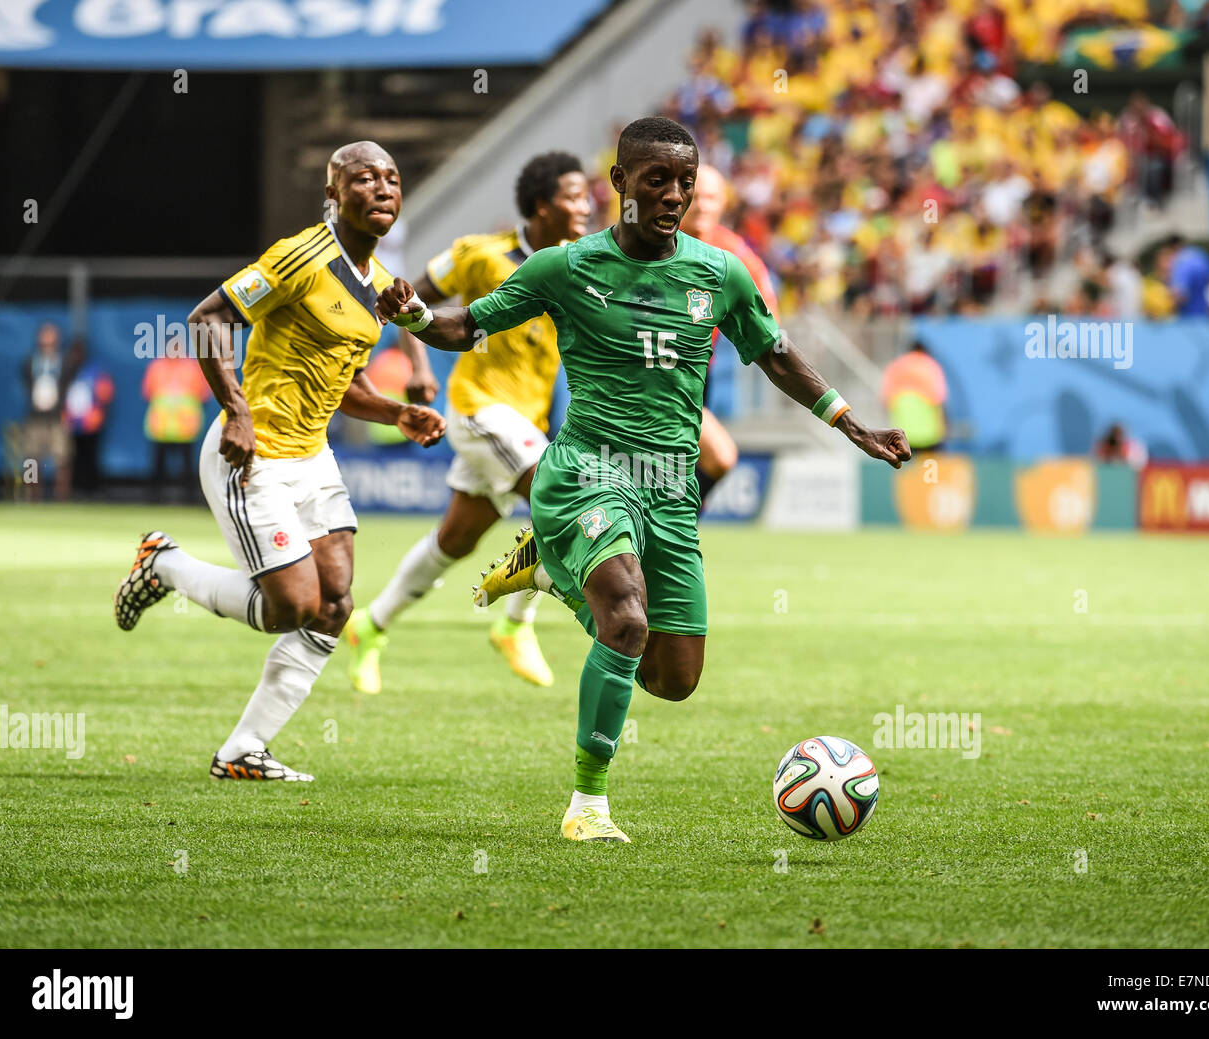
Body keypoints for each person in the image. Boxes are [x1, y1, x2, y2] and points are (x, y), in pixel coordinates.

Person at [380, 117, 910, 842]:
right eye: (656, 179)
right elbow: (464, 327)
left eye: (685, 181)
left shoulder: (718, 272)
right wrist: (412, 313)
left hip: (670, 488)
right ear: (619, 183)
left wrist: (857, 425)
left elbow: (777, 354)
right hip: (586, 472)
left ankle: (548, 574)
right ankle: (587, 806)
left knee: (673, 678)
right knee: (626, 620)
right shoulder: (564, 268)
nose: (674, 194)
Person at [113, 141, 446, 781]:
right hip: (254, 453)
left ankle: (243, 751)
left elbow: (339, 384)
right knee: (292, 607)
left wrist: (394, 413)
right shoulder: (301, 256)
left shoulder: (376, 284)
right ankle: (166, 565)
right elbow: (207, 319)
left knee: (335, 603)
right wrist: (236, 410)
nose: (382, 188)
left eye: (393, 179)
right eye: (364, 178)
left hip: (312, 457)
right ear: (334, 194)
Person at [344, 152, 591, 695]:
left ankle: (370, 626)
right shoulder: (483, 255)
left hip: (526, 423)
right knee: (568, 501)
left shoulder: (580, 266)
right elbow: (402, 297)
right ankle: (515, 624)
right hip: (479, 411)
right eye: (575, 197)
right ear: (543, 207)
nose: (587, 206)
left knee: (454, 541)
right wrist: (416, 364)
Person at [679, 163, 780, 512]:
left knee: (702, 464)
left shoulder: (733, 253)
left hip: (695, 376)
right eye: (697, 196)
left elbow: (770, 319)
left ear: (724, 202)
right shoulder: (648, 241)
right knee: (716, 457)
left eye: (712, 197)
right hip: (642, 374)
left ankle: (669, 532)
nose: (703, 205)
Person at [142, 352, 210, 502]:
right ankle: (154, 497)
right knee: (158, 465)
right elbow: (148, 392)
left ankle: (189, 498)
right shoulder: (157, 367)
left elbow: (203, 394)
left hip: (184, 426)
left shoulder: (192, 367)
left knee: (187, 464)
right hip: (162, 426)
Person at [20, 322, 71, 501]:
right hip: (35, 417)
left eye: (51, 335)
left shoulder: (64, 361)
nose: (48, 339)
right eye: (45, 334)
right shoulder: (31, 361)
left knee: (62, 459)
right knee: (32, 459)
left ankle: (61, 498)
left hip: (57, 417)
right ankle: (31, 497)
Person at [62, 337, 115, 497]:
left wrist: (100, 414)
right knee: (74, 457)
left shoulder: (95, 372)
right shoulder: (68, 372)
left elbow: (105, 394)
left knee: (90, 456)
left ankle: (91, 489)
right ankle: (76, 489)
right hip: (73, 423)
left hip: (91, 422)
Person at [880, 341, 947, 453]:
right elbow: (939, 398)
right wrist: (944, 427)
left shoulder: (896, 366)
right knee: (929, 469)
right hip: (929, 435)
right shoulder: (930, 365)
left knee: (905, 469)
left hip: (902, 434)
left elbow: (886, 400)